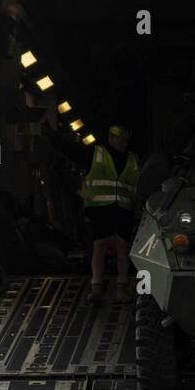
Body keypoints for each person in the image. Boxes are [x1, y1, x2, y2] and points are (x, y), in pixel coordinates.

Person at [81, 125, 140, 304]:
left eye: (125, 138)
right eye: (120, 138)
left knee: (122, 248)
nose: (123, 142)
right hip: (101, 209)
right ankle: (97, 288)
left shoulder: (133, 159)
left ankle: (120, 289)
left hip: (123, 210)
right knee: (99, 247)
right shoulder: (97, 154)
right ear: (111, 138)